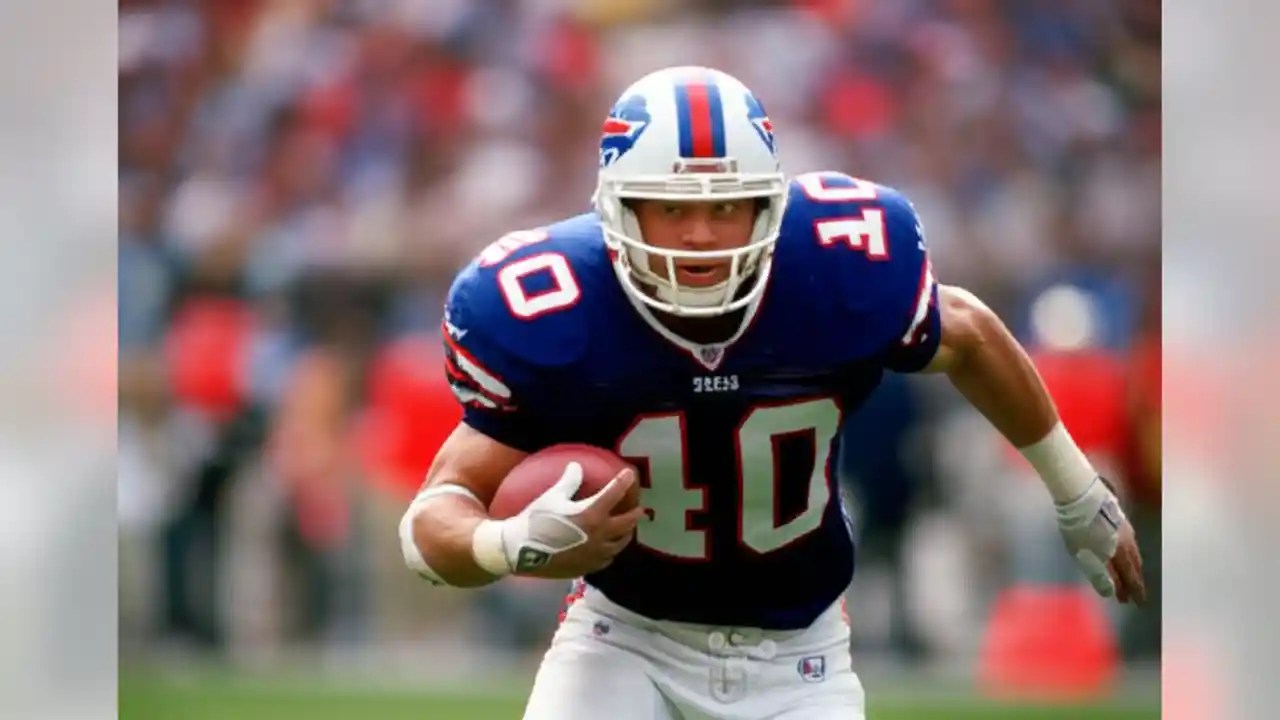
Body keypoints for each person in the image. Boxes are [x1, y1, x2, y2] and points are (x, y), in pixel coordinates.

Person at [399, 66, 1146, 720]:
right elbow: (433, 516)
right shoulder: (551, 308)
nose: (697, 235)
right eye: (670, 207)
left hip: (801, 659)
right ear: (617, 210)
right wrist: (506, 544)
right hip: (626, 638)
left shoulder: (834, 266)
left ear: (770, 208)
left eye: (726, 207)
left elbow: (972, 334)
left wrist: (1075, 490)